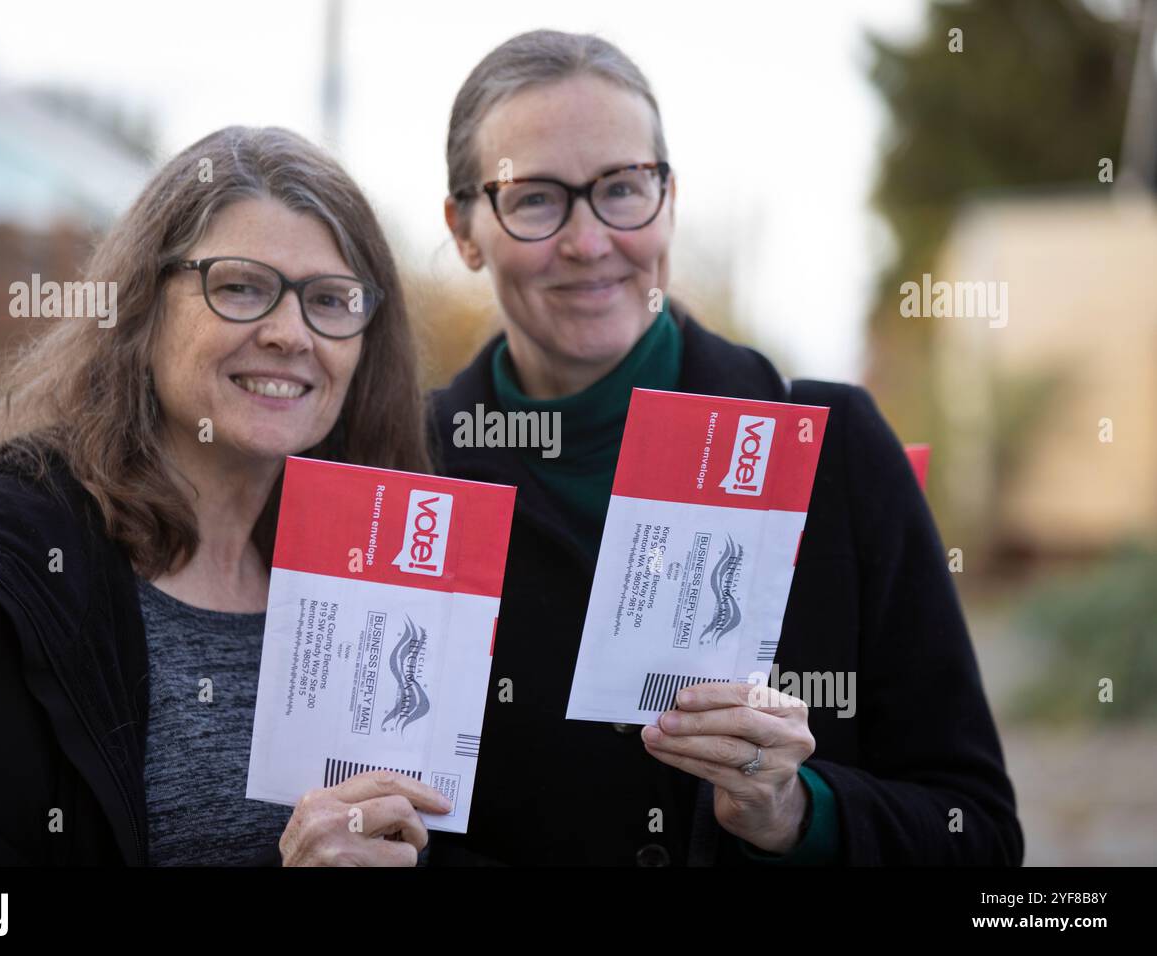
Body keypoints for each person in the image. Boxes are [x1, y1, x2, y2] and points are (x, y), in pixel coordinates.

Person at [430, 30, 1023, 866]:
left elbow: (980, 836)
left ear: (668, 199)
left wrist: (797, 812)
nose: (589, 240)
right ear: (464, 229)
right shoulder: (405, 482)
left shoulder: (837, 454)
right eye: (533, 199)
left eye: (622, 189)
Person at [0, 126, 451, 866]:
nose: (291, 334)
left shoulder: (377, 577)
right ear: (144, 303)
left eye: (331, 301)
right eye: (241, 287)